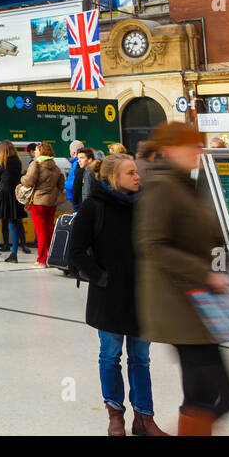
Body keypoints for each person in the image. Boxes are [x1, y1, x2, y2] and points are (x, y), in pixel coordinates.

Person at [136, 122, 229, 436]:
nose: (199, 152)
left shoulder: (183, 184)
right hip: (178, 305)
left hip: (195, 303)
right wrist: (204, 273)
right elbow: (151, 244)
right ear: (169, 150)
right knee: (211, 394)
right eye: (192, 146)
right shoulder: (163, 187)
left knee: (210, 394)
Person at [70, 153, 167, 436]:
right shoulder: (94, 207)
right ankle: (115, 415)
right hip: (108, 296)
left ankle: (144, 418)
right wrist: (101, 277)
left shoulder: (146, 206)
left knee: (141, 358)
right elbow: (76, 251)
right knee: (110, 356)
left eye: (137, 171)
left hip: (142, 296)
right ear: (114, 177)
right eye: (130, 173)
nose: (138, 177)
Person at [22, 141, 65, 268]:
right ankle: (52, 257)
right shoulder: (55, 166)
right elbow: (61, 183)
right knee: (50, 229)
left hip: (39, 202)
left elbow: (29, 181)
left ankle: (42, 259)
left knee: (40, 231)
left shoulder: (36, 164)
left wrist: (22, 179)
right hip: (52, 202)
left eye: (36, 150)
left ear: (41, 152)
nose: (34, 152)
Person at [0, 140, 24, 262]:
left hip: (2, 194)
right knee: (13, 223)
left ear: (2, 150)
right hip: (14, 194)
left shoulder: (2, 161)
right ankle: (14, 254)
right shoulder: (18, 162)